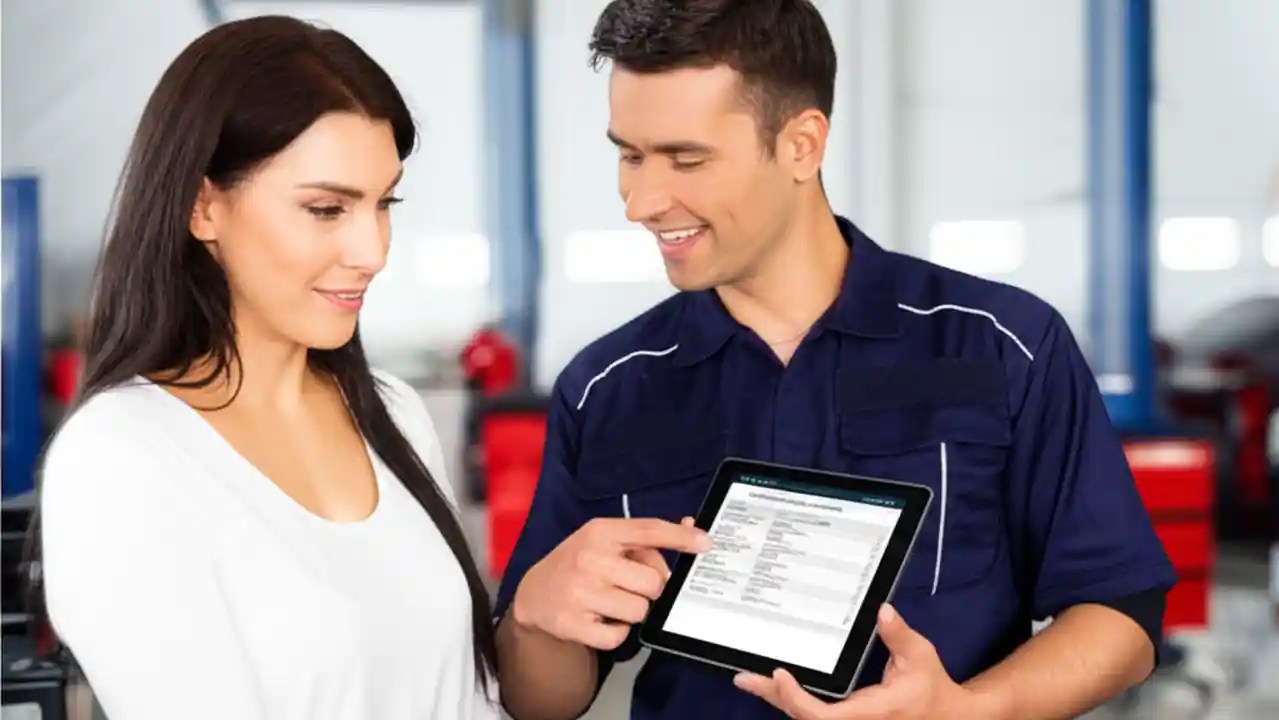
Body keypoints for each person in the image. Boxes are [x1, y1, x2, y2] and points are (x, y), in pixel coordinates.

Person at [493, 1, 1178, 719]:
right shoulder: (607, 389)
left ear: (801, 144)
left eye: (686, 159)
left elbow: (1121, 614)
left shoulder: (1000, 346)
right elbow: (542, 702)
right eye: (629, 154)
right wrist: (537, 620)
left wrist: (967, 710)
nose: (640, 201)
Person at [35, 16, 500, 720]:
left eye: (385, 203)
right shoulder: (123, 456)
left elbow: (470, 701)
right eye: (326, 208)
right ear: (202, 206)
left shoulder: (394, 413)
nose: (372, 249)